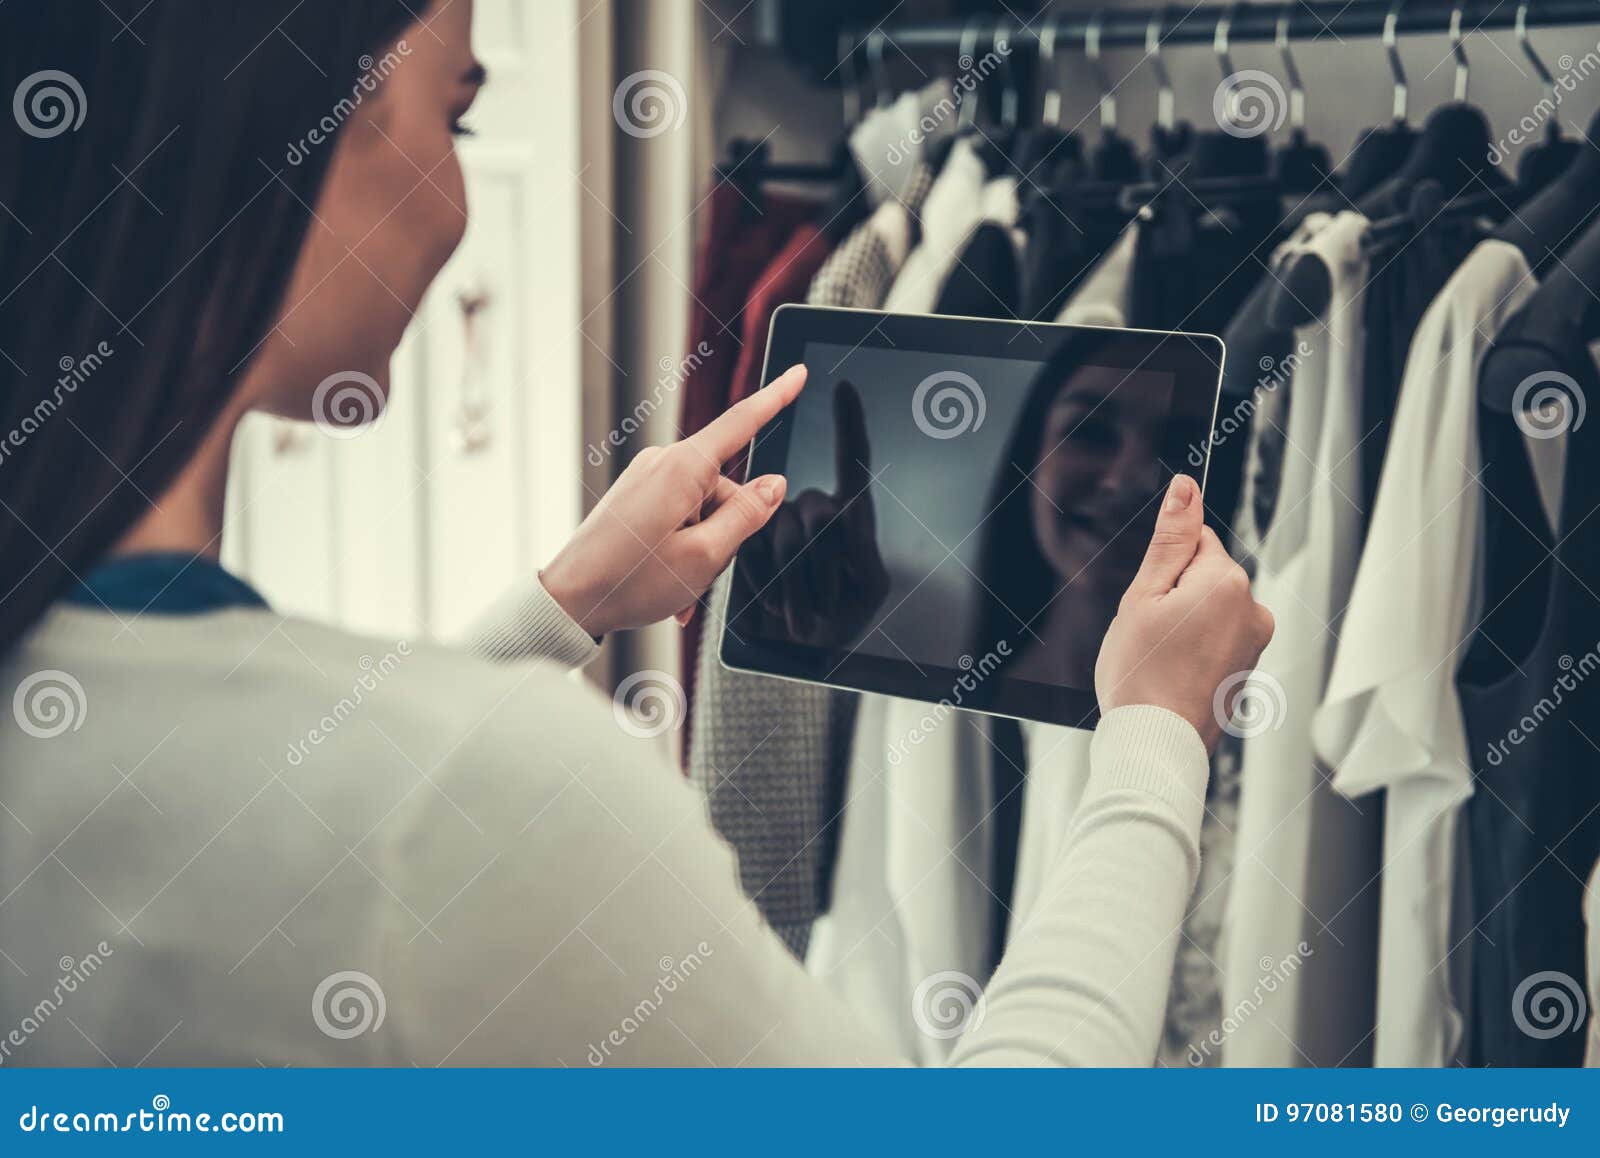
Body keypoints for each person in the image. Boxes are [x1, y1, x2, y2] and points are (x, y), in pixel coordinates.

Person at [0, 0, 1273, 1065]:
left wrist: (554, 611)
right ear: (298, 138)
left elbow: (280, 849)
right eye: (457, 115)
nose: (457, 197)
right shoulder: (485, 795)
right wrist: (1158, 735)